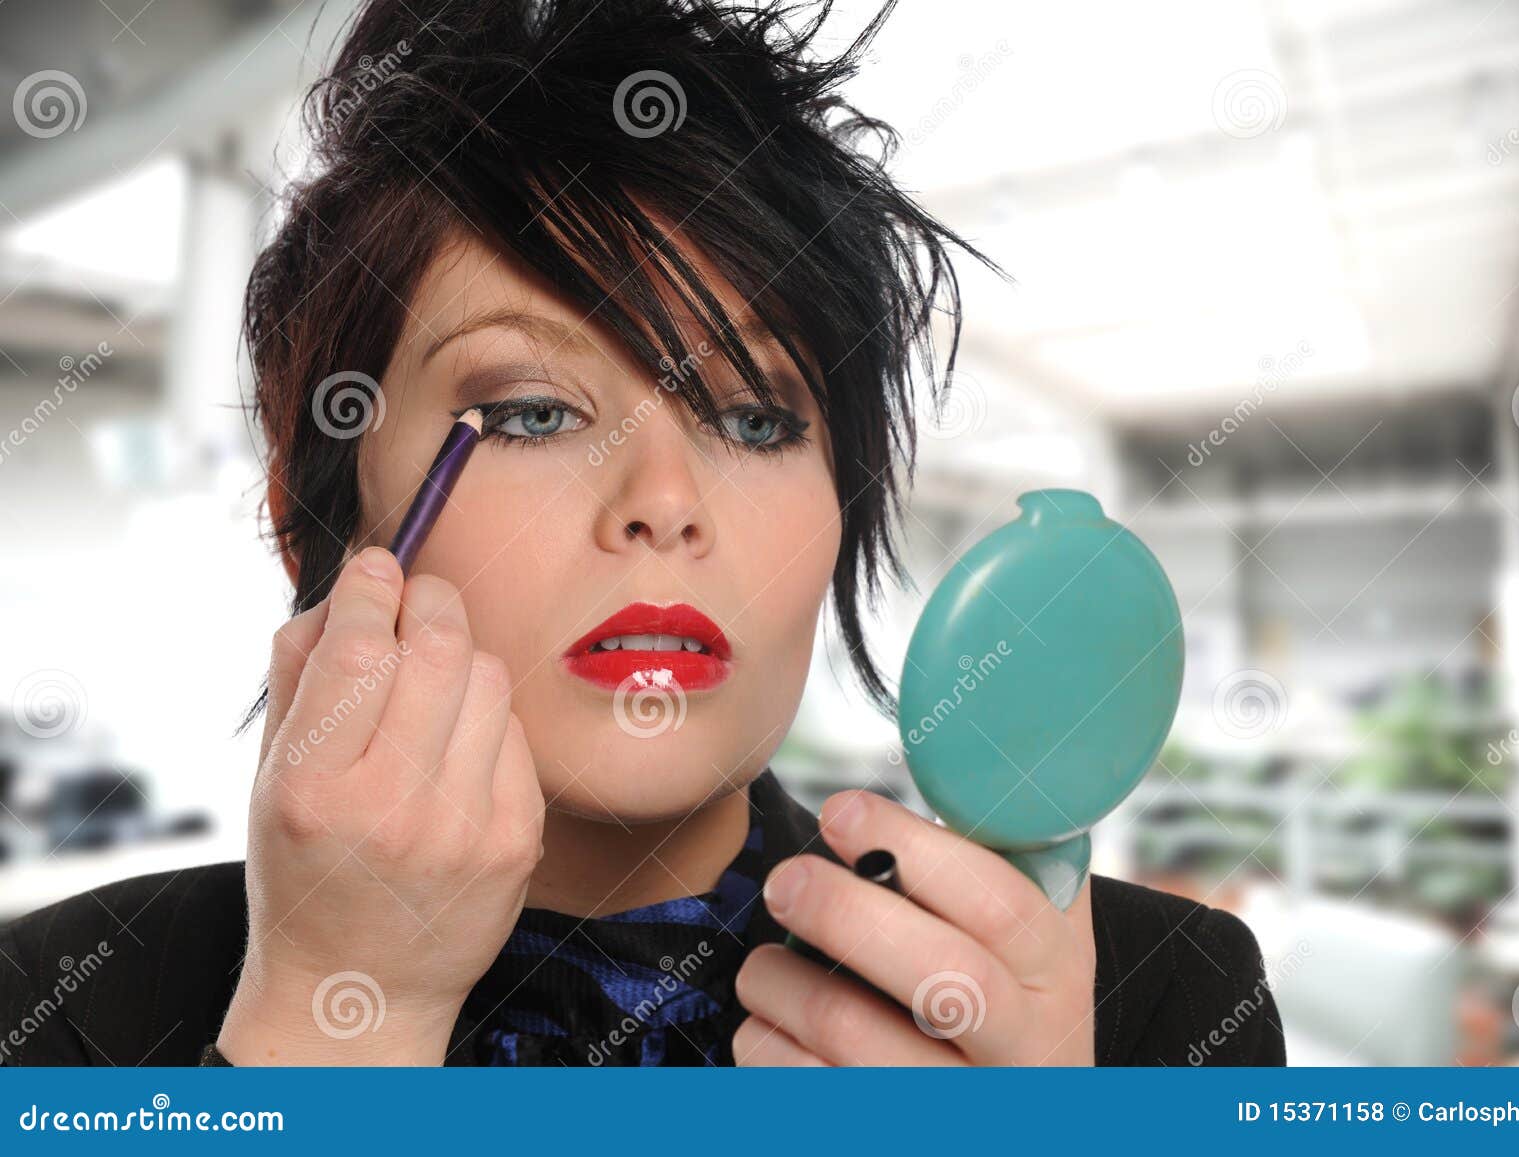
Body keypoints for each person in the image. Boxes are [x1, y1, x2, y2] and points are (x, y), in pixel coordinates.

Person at [0, 0, 1284, 1067]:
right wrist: (337, 1020)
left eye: (757, 417)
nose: (664, 498)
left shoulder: (1158, 1003)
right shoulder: (60, 1010)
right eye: (534, 411)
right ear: (309, 520)